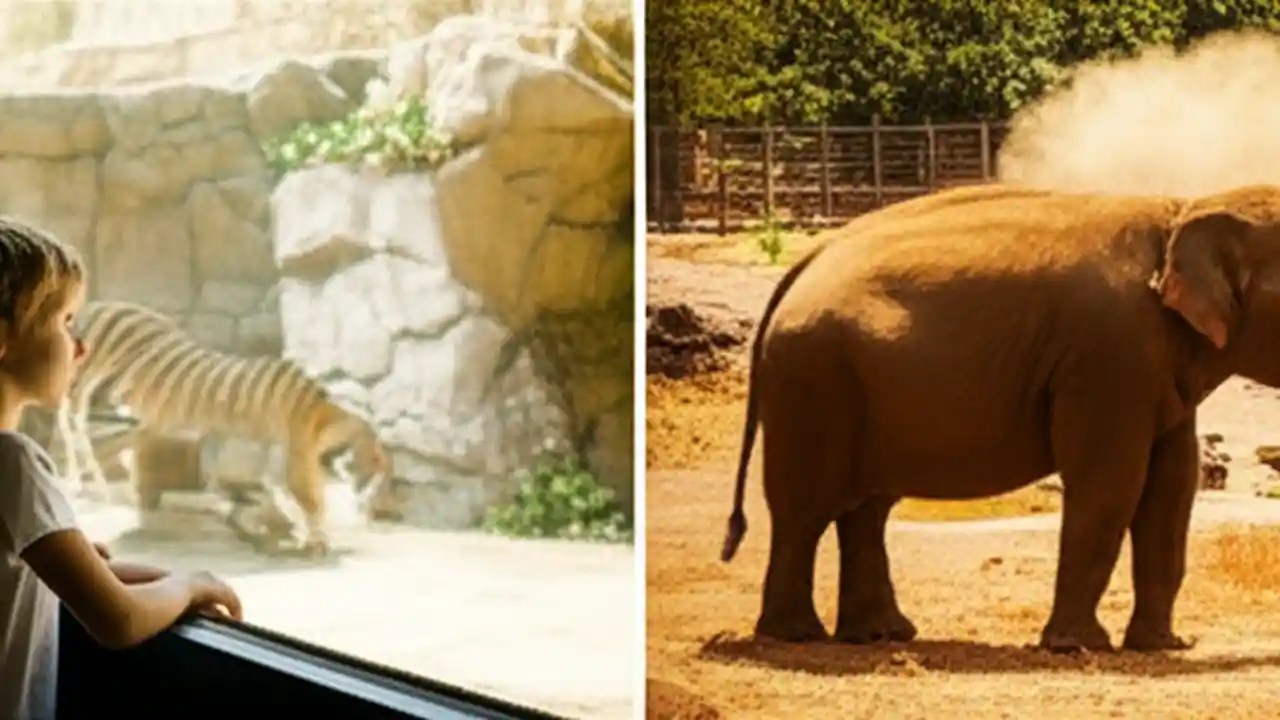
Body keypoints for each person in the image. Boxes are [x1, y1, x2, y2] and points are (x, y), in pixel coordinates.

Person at [0, 216, 244, 720]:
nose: (82, 346)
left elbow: (59, 578)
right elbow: (118, 619)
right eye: (65, 322)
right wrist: (189, 586)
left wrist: (118, 569)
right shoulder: (14, 463)